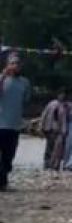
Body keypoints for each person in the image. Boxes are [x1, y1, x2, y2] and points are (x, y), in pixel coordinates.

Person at [0, 49, 31, 192]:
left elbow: (26, 100)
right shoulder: (2, 79)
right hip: (0, 124)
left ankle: (3, 182)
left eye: (17, 63)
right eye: (12, 63)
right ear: (7, 64)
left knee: (8, 156)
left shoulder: (25, 82)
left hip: (14, 125)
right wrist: (3, 76)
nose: (15, 66)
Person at [39, 90, 69, 170]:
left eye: (63, 95)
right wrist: (41, 126)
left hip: (58, 130)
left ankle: (54, 164)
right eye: (60, 95)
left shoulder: (64, 106)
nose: (62, 96)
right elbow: (44, 114)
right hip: (50, 128)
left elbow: (64, 119)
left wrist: (64, 131)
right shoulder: (51, 104)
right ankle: (47, 163)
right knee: (49, 146)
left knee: (57, 148)